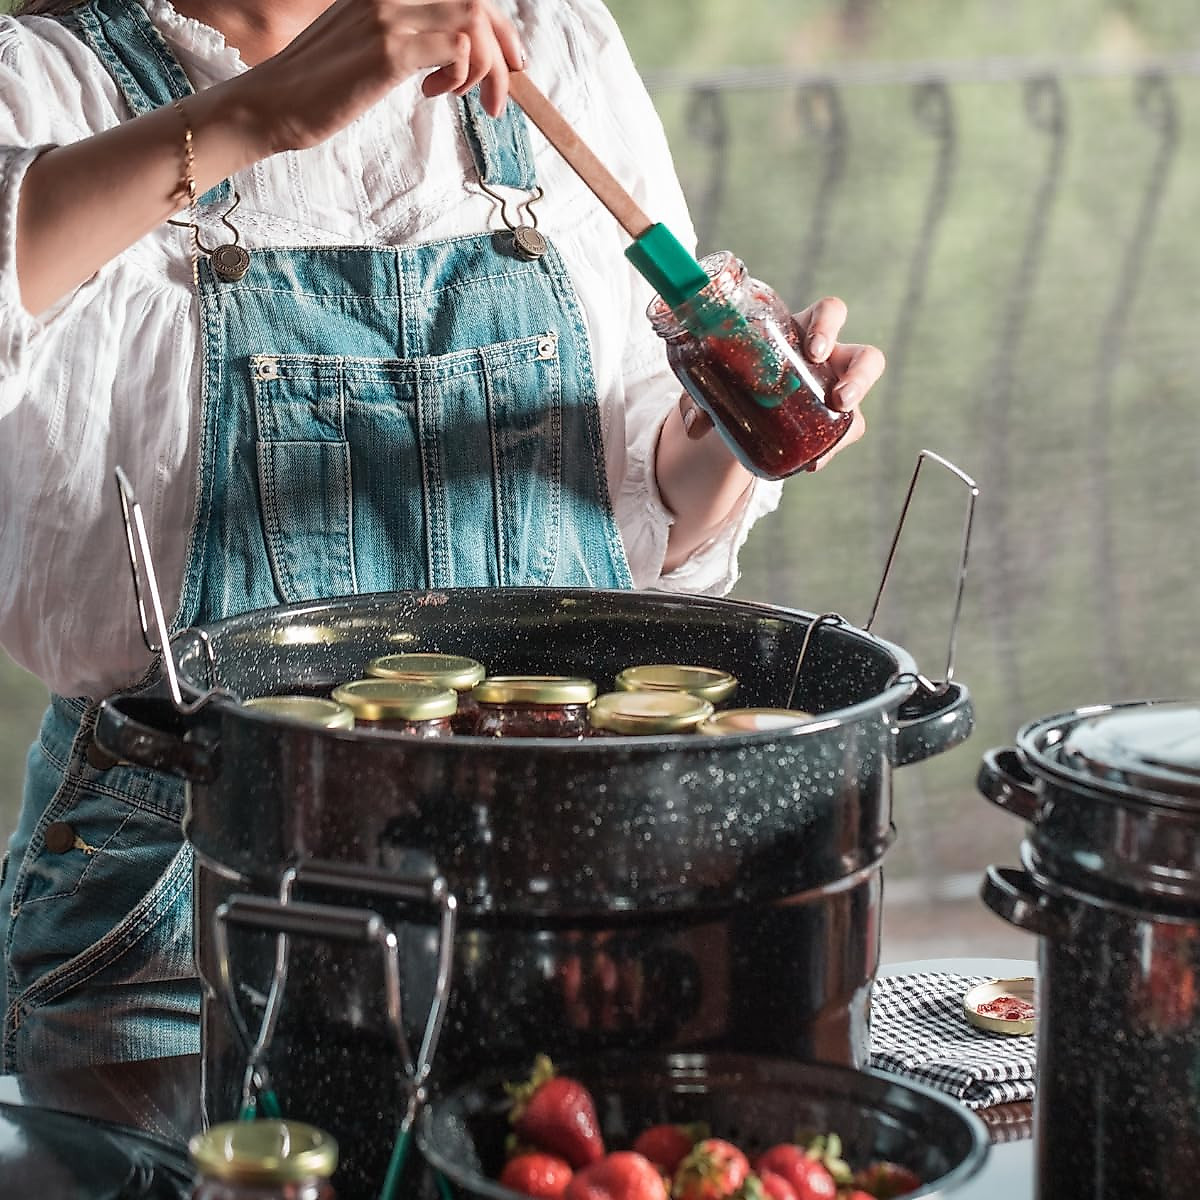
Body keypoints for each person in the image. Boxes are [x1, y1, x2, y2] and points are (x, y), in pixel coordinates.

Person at [0, 0, 884, 1073]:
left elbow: (643, 512)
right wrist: (257, 115)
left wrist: (725, 436)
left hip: (554, 876)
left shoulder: (547, 44)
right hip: (196, 903)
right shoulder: (44, 83)